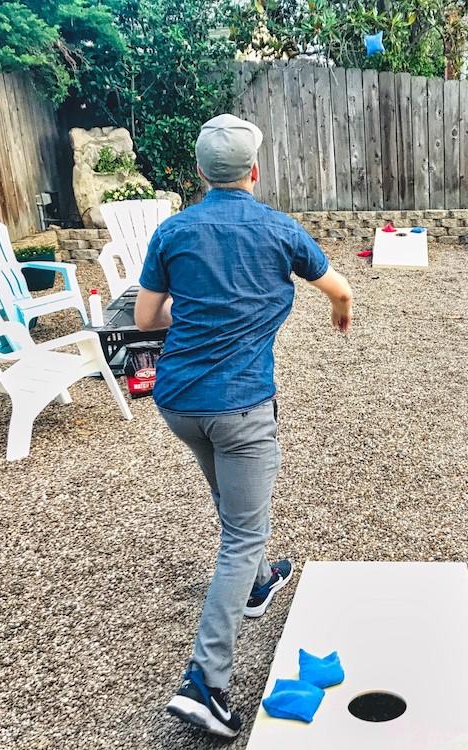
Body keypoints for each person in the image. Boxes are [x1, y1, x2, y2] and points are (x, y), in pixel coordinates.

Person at [135, 113, 353, 738]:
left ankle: (259, 583)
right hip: (240, 407)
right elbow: (338, 288)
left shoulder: (173, 231)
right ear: (254, 171)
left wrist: (192, 304)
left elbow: (149, 319)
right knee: (241, 533)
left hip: (179, 404)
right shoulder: (278, 229)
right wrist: (339, 310)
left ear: (200, 172)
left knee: (232, 505)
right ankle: (205, 682)